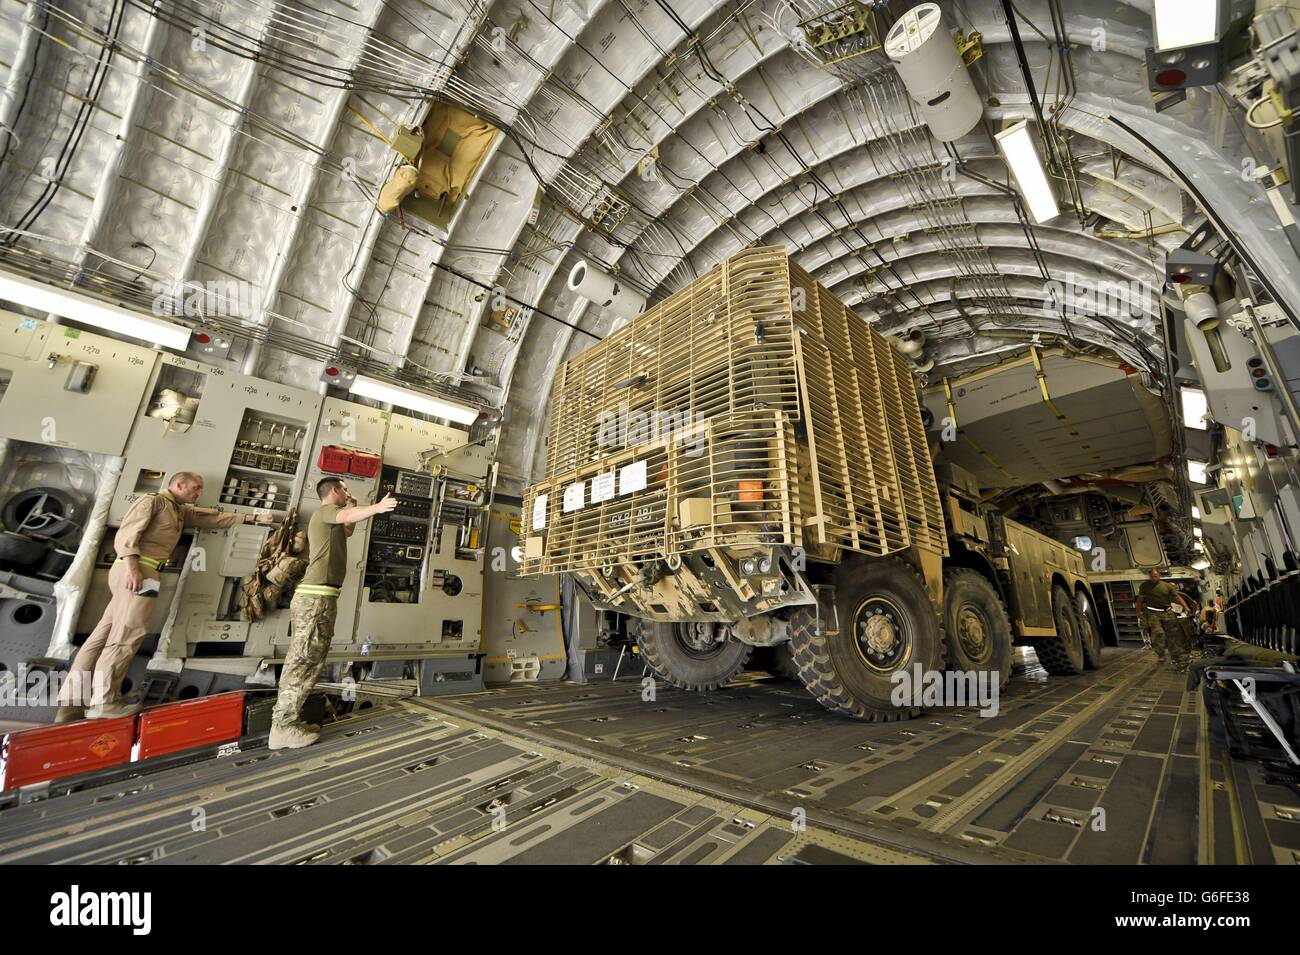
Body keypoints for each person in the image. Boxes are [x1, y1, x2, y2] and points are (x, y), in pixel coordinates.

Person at [56, 472, 274, 721]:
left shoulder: (178, 509)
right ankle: (105, 702)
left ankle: (71, 703)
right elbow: (126, 536)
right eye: (196, 488)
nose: (199, 493)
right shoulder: (153, 502)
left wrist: (253, 517)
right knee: (128, 634)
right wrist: (133, 568)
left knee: (102, 635)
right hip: (139, 571)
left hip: (138, 571)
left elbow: (210, 517)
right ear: (178, 485)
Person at [268, 478, 397, 750]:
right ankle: (282, 727)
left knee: (311, 659)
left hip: (322, 599)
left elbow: (348, 528)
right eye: (344, 489)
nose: (346, 493)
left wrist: (354, 504)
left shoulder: (331, 521)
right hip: (315, 599)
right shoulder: (324, 511)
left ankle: (290, 723)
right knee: (303, 660)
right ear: (334, 491)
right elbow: (348, 516)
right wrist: (378, 507)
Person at [1135, 568, 1191, 672]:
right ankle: (1160, 653)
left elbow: (1177, 598)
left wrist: (1186, 607)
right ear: (1149, 577)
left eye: (1155, 576)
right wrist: (1138, 611)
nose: (1153, 578)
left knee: (1173, 635)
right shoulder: (1144, 586)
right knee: (1158, 633)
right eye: (1151, 577)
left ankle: (1176, 656)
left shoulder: (1167, 586)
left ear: (1159, 576)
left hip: (1167, 612)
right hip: (1153, 613)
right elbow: (1140, 599)